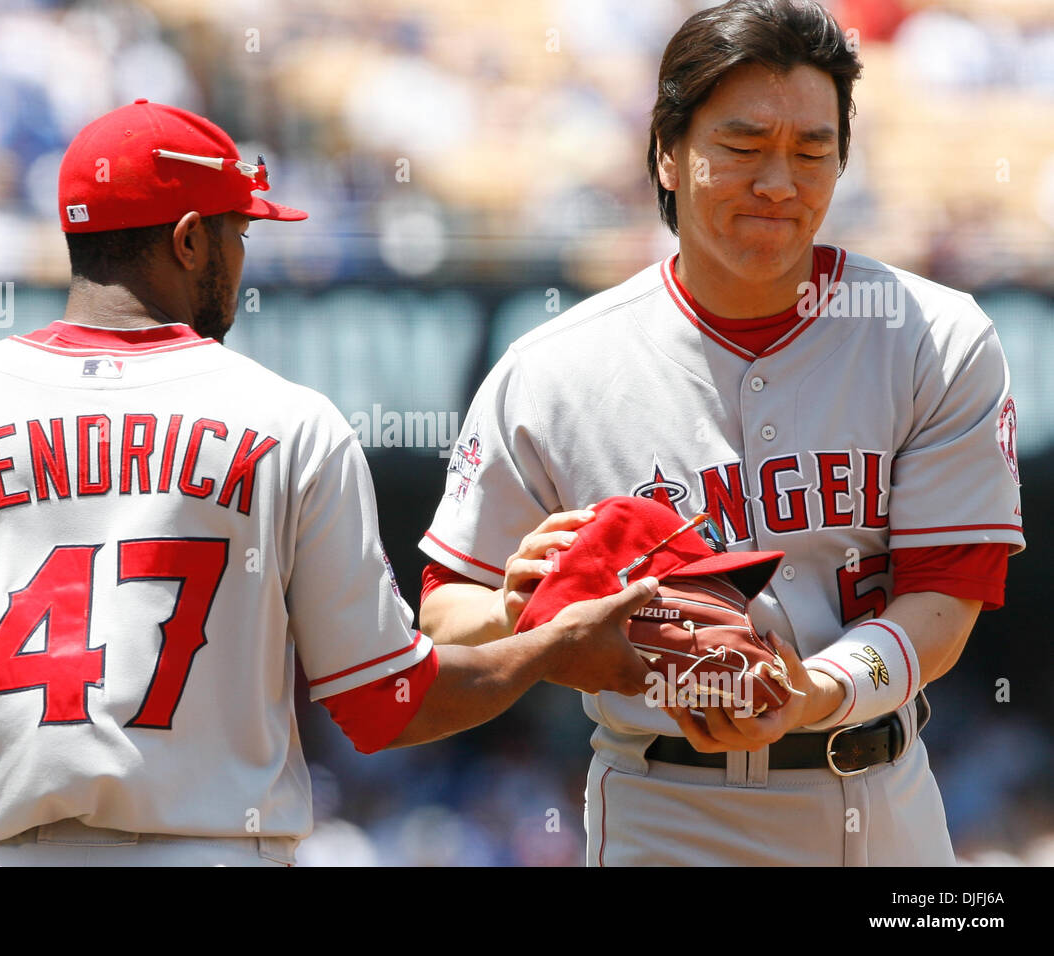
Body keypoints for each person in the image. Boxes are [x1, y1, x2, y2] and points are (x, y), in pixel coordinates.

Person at [0, 100, 659, 867]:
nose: (243, 254)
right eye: (237, 231)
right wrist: (546, 649)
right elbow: (388, 704)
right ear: (190, 240)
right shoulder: (286, 421)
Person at [417, 0, 1023, 866]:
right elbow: (446, 616)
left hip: (881, 794)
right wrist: (526, 619)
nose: (780, 181)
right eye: (743, 147)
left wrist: (815, 690)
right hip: (666, 804)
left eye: (812, 151)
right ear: (668, 153)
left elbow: (944, 601)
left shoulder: (935, 336)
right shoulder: (554, 367)